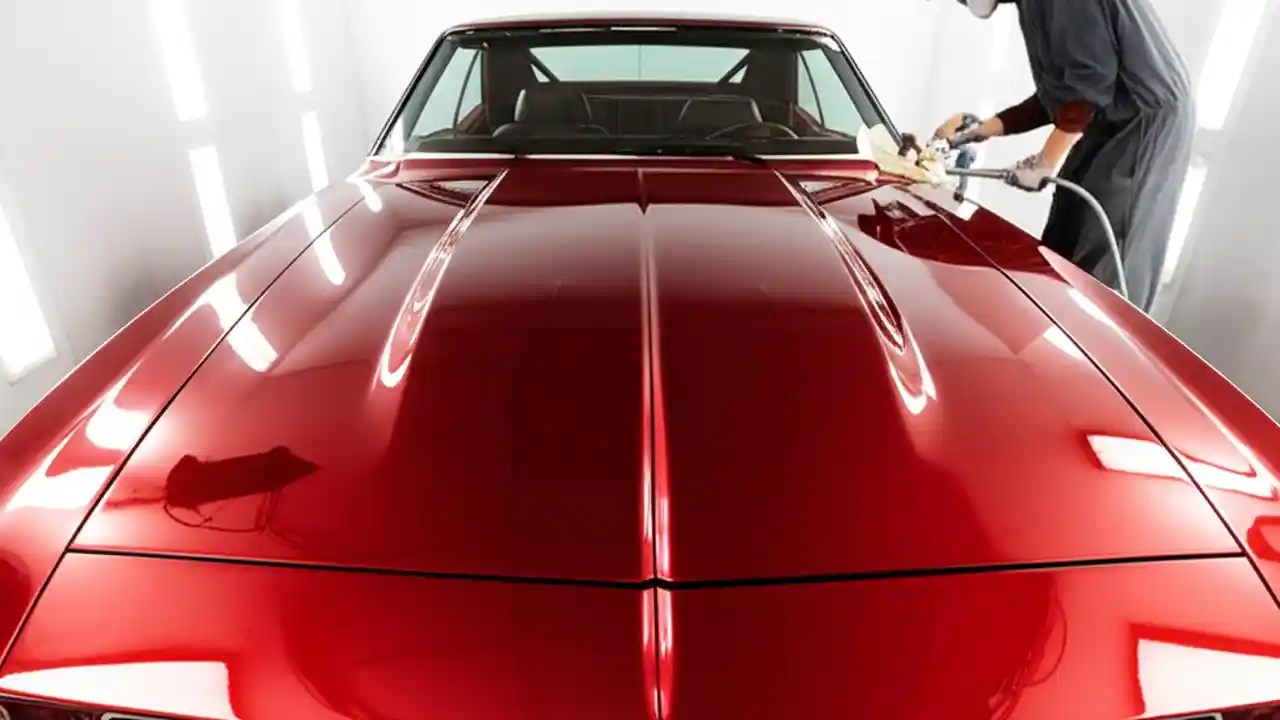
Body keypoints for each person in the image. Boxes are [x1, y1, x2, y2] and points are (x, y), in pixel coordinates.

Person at [934, 0, 1194, 312]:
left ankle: (1094, 353)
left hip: (1142, 123)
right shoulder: (1032, 5)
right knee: (1063, 241)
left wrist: (1045, 162)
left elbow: (1087, 86)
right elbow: (1059, 96)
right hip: (1107, 119)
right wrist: (979, 132)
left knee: (1103, 256)